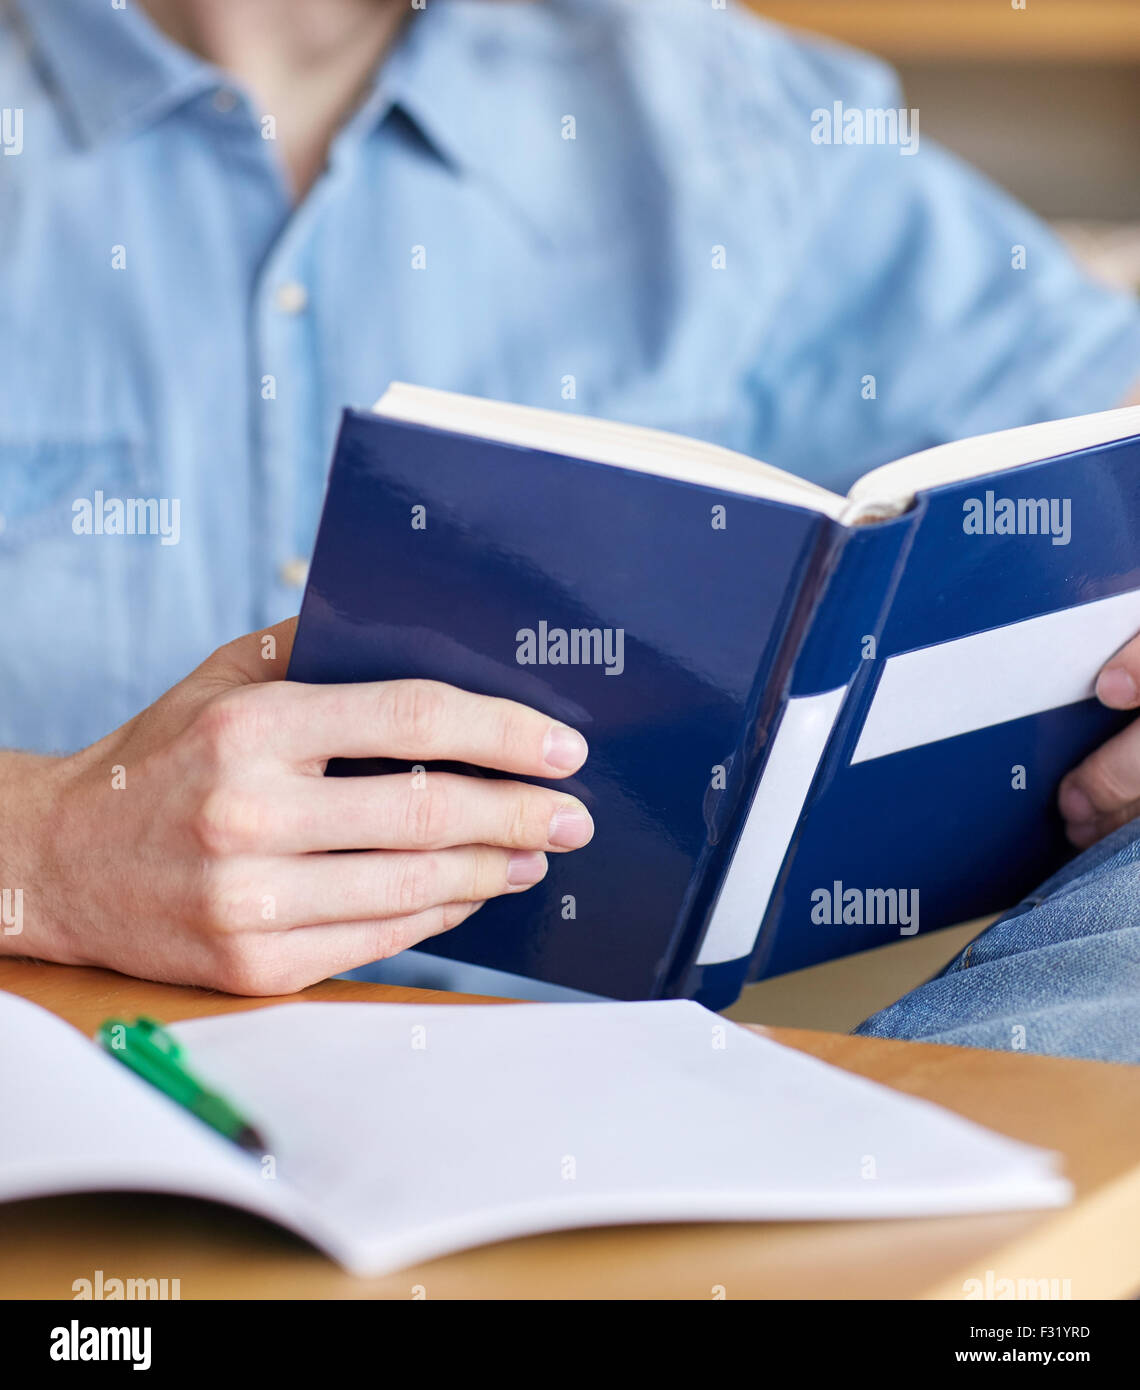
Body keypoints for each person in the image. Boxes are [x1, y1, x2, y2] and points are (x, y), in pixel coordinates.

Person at [1, 0, 1138, 1058]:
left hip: (589, 1130)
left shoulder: (728, 118)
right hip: (70, 1092)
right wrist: (47, 851)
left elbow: (1107, 413)